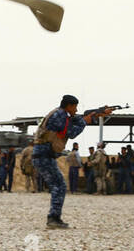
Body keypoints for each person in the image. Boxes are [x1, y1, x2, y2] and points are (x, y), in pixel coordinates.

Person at [31, 96, 98, 228]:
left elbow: (71, 121)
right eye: (75, 107)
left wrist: (92, 115)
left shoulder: (59, 114)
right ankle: (53, 219)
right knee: (59, 185)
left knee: (58, 184)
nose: (76, 109)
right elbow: (71, 132)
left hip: (43, 154)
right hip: (44, 155)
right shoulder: (59, 115)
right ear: (69, 106)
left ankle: (54, 217)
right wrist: (85, 122)